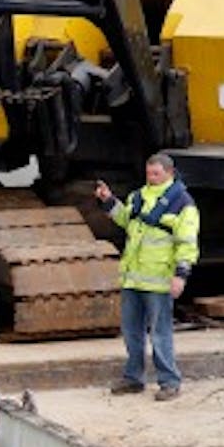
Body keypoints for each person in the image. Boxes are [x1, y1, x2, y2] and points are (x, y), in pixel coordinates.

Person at [94, 152, 200, 401]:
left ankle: (169, 381)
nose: (151, 178)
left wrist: (181, 275)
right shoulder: (138, 196)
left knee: (161, 333)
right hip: (133, 278)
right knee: (132, 333)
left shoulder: (183, 204)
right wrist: (109, 202)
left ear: (169, 173)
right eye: (148, 173)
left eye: (156, 174)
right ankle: (133, 378)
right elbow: (126, 221)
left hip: (159, 280)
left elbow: (187, 243)